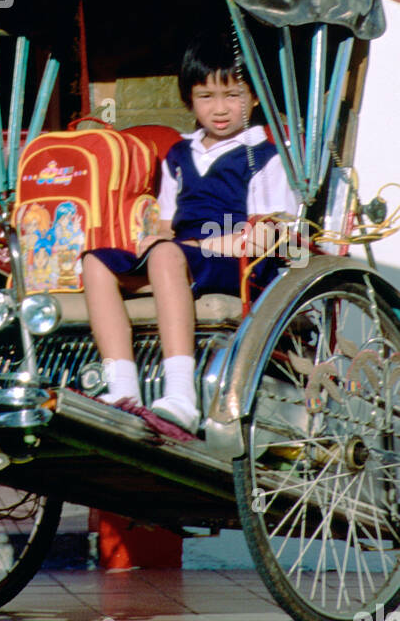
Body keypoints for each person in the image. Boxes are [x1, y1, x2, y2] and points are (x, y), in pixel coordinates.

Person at [82, 31, 297, 439]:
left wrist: (189, 246)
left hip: (237, 258)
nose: (219, 109)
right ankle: (121, 388)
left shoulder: (264, 154)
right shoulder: (180, 154)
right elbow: (166, 221)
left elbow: (265, 237)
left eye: (232, 95)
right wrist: (151, 238)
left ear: (253, 98)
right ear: (188, 99)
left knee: (166, 256)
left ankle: (181, 394)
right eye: (205, 97)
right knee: (95, 261)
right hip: (181, 255)